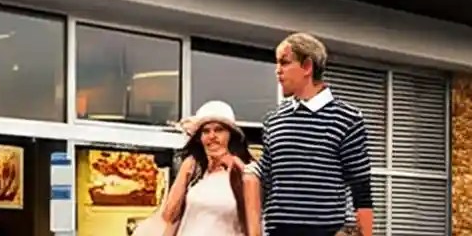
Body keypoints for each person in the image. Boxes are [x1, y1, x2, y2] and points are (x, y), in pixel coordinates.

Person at [244, 33, 374, 236]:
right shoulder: (274, 120)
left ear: (307, 67)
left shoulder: (347, 118)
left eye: (284, 63)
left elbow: (361, 188)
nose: (277, 71)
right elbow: (265, 180)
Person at [150, 100, 257, 236]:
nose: (212, 136)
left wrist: (235, 166)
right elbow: (169, 216)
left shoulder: (246, 170)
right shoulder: (196, 170)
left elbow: (254, 226)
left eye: (219, 130)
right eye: (206, 131)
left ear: (231, 135)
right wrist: (186, 171)